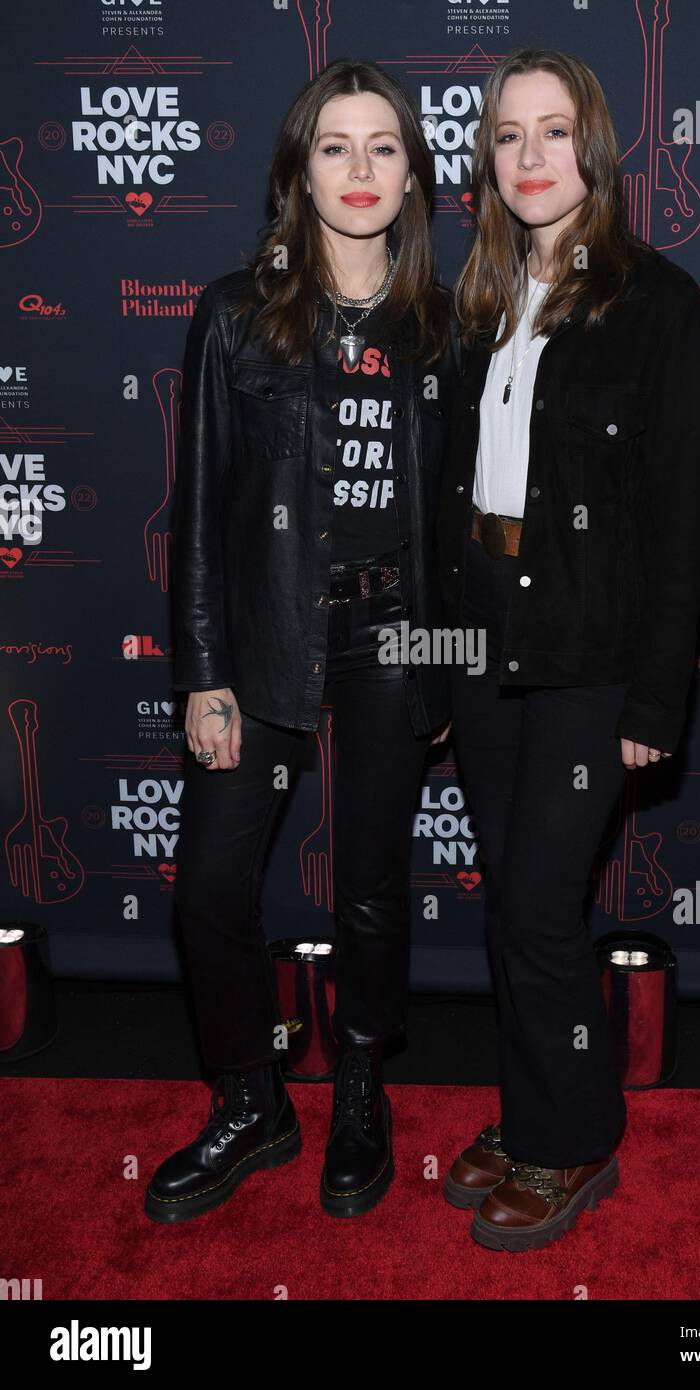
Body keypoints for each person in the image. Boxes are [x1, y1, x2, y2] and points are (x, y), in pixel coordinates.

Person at [144, 59, 458, 1224]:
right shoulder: (236, 314)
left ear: (414, 174)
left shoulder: (441, 325)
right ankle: (250, 1099)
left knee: (372, 887)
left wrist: (441, 658)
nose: (361, 170)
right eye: (336, 146)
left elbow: (454, 517)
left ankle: (363, 1084)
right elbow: (200, 513)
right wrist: (204, 672)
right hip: (269, 632)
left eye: (384, 147)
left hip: (390, 633)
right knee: (212, 889)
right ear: (298, 170)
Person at [437, 47, 700, 1251]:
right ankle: (533, 1105)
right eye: (509, 135)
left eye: (555, 132)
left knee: (545, 909)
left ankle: (570, 1143)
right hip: (489, 644)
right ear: (487, 160)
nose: (532, 156)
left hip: (592, 657)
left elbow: (681, 524)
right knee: (514, 906)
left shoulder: (657, 303)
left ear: (594, 152)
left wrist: (655, 693)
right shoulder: (479, 301)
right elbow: (457, 504)